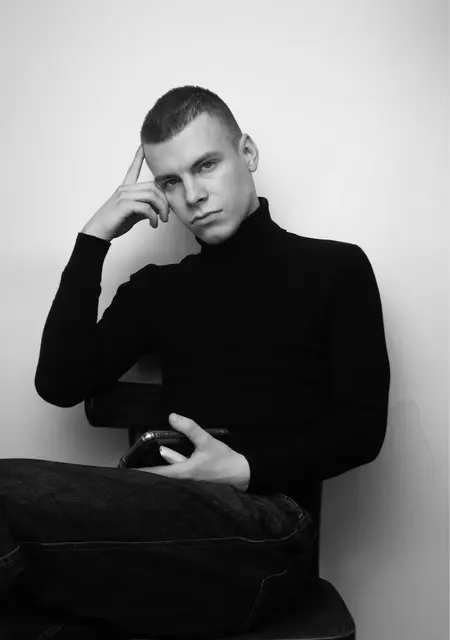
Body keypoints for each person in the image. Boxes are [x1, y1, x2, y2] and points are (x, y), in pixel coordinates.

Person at [1, 85, 390, 639]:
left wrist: (243, 469)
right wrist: (93, 238)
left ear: (247, 153)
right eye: (169, 182)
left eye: (206, 165)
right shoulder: (157, 291)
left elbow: (362, 427)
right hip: (159, 525)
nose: (193, 195)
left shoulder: (336, 269)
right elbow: (60, 383)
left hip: (271, 533)